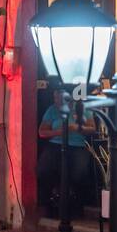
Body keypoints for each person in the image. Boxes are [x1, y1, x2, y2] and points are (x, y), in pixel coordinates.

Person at [37, 89, 95, 219]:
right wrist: (59, 132)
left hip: (77, 145)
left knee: (79, 172)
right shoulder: (52, 110)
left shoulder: (81, 108)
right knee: (43, 169)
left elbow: (92, 128)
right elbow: (42, 132)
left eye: (59, 98)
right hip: (56, 144)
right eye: (54, 97)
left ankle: (76, 206)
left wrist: (77, 128)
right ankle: (50, 205)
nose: (56, 101)